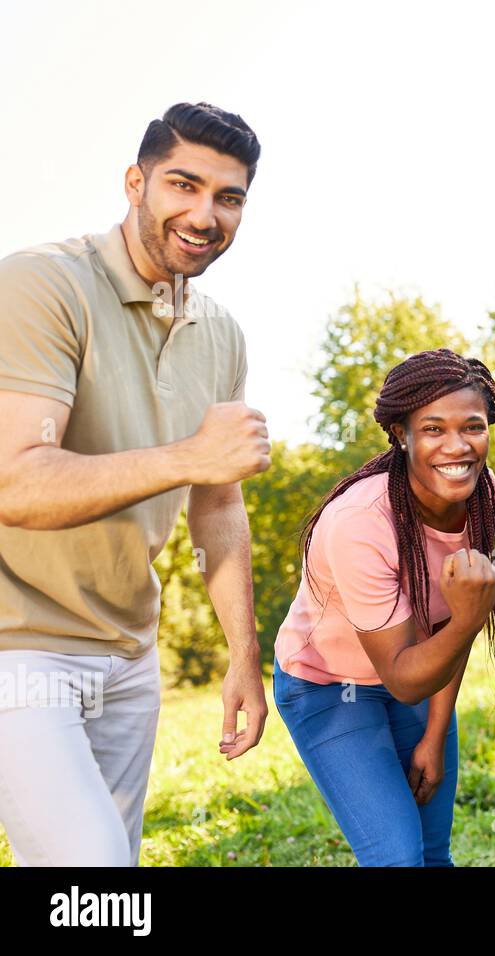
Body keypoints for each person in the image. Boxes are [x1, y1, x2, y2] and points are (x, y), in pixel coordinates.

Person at [0, 103, 269, 866]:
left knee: (100, 889)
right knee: (91, 873)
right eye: (182, 185)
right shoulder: (40, 286)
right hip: (20, 649)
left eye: (228, 197)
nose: (203, 214)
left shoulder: (220, 333)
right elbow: (15, 482)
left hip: (129, 653)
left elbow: (218, 503)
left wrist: (244, 655)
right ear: (135, 182)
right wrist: (191, 454)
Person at [273, 349, 495, 866]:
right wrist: (468, 619)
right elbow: (407, 673)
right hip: (329, 687)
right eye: (433, 430)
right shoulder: (361, 522)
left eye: (472, 426)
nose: (457, 446)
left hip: (422, 671)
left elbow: (448, 629)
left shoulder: (483, 495)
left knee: (431, 853)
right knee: (398, 856)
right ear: (401, 435)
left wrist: (435, 734)